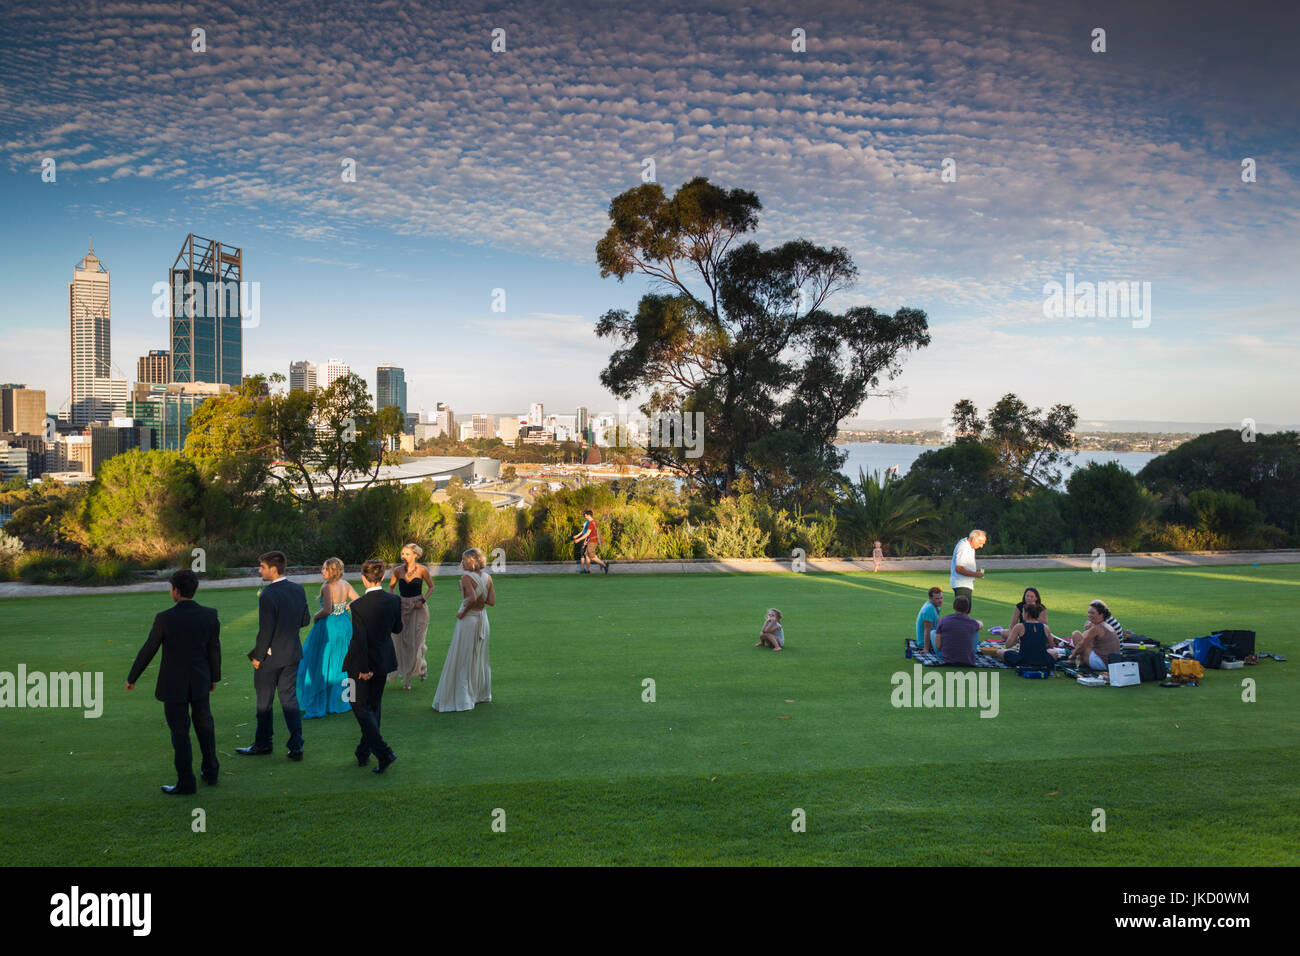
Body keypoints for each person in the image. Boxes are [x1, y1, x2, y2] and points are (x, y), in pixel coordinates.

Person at [126, 569, 221, 795]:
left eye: (170, 588)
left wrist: (133, 677)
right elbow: (214, 649)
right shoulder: (209, 615)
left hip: (173, 684)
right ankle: (211, 771)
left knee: (180, 733)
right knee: (205, 726)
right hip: (200, 680)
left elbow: (149, 649)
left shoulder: (165, 618)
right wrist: (214, 677)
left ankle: (186, 782)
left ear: (176, 591)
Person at [237, 551, 311, 760]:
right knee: (289, 700)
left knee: (264, 701)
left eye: (262, 566)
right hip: (292, 653)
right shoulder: (298, 589)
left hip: (270, 658)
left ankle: (263, 744)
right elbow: (305, 620)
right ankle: (296, 746)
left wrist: (258, 657)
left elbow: (266, 631)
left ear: (273, 568)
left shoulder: (268, 595)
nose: (259, 570)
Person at [344, 559, 404, 773]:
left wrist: (363, 668)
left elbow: (360, 639)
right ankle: (363, 752)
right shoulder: (394, 600)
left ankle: (383, 752)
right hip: (383, 661)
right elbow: (397, 628)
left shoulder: (357, 605)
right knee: (373, 707)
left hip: (359, 665)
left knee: (357, 704)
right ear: (382, 577)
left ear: (363, 578)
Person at [432, 548, 495, 712]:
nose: (462, 562)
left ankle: (464, 699)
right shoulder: (488, 577)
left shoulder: (466, 577)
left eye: (464, 559)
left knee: (463, 656)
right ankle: (481, 694)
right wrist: (481, 596)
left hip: (469, 620)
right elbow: (491, 601)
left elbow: (472, 598)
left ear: (472, 561)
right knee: (479, 656)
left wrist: (462, 612)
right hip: (483, 619)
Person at [297, 557, 358, 719]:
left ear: (331, 570)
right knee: (343, 662)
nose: (321, 571)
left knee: (323, 663)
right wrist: (346, 606)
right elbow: (358, 600)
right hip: (344, 625)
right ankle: (345, 700)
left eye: (324, 568)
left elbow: (327, 610)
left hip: (329, 626)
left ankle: (326, 702)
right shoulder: (345, 584)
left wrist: (315, 617)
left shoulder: (327, 587)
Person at [388, 543, 433, 690]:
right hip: (402, 608)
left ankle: (415, 672)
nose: (404, 556)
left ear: (415, 555)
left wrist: (423, 600)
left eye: (407, 554)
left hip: (418, 609)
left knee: (417, 642)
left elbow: (431, 587)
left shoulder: (422, 570)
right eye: (403, 554)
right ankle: (412, 673)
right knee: (402, 643)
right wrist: (395, 601)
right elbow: (391, 587)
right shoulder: (397, 571)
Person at [983, 602, 1058, 669]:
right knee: (1053, 652)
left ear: (1027, 614)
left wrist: (1018, 640)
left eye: (1023, 612)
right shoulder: (1045, 627)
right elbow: (1051, 646)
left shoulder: (1019, 626)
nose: (1022, 614)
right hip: (1042, 660)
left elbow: (1008, 645)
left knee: (1000, 652)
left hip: (1023, 660)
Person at [1067, 600, 1123, 671]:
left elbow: (1081, 645)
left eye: (1092, 613)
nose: (1089, 615)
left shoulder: (1097, 628)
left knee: (1076, 634)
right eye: (1088, 612)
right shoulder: (1106, 625)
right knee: (1085, 640)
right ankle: (1081, 660)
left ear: (1101, 614)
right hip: (1111, 662)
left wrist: (1072, 656)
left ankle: (1080, 661)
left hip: (1101, 664)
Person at [933, 594, 983, 666]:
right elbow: (980, 625)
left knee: (933, 632)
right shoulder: (972, 622)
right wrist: (978, 623)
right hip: (967, 659)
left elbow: (938, 646)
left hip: (947, 658)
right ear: (967, 608)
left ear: (954, 607)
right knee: (975, 629)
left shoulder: (943, 620)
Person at [949, 529, 986, 609]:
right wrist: (976, 574)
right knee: (963, 611)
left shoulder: (969, 546)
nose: (981, 546)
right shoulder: (964, 547)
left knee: (965, 610)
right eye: (980, 543)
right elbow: (959, 568)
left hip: (965, 584)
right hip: (961, 584)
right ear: (974, 539)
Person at [572, 509, 609, 574]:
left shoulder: (591, 523)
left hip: (592, 541)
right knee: (586, 554)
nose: (584, 516)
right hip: (591, 540)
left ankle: (604, 565)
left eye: (585, 515)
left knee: (591, 556)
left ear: (588, 515)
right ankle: (588, 570)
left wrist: (578, 539)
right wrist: (586, 540)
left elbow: (587, 534)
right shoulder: (593, 522)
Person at [915, 587, 943, 653]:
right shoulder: (929, 609)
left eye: (941, 598)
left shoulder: (936, 606)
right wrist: (926, 649)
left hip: (933, 637)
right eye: (937, 599)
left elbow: (938, 623)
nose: (940, 601)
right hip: (925, 643)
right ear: (930, 599)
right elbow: (927, 631)